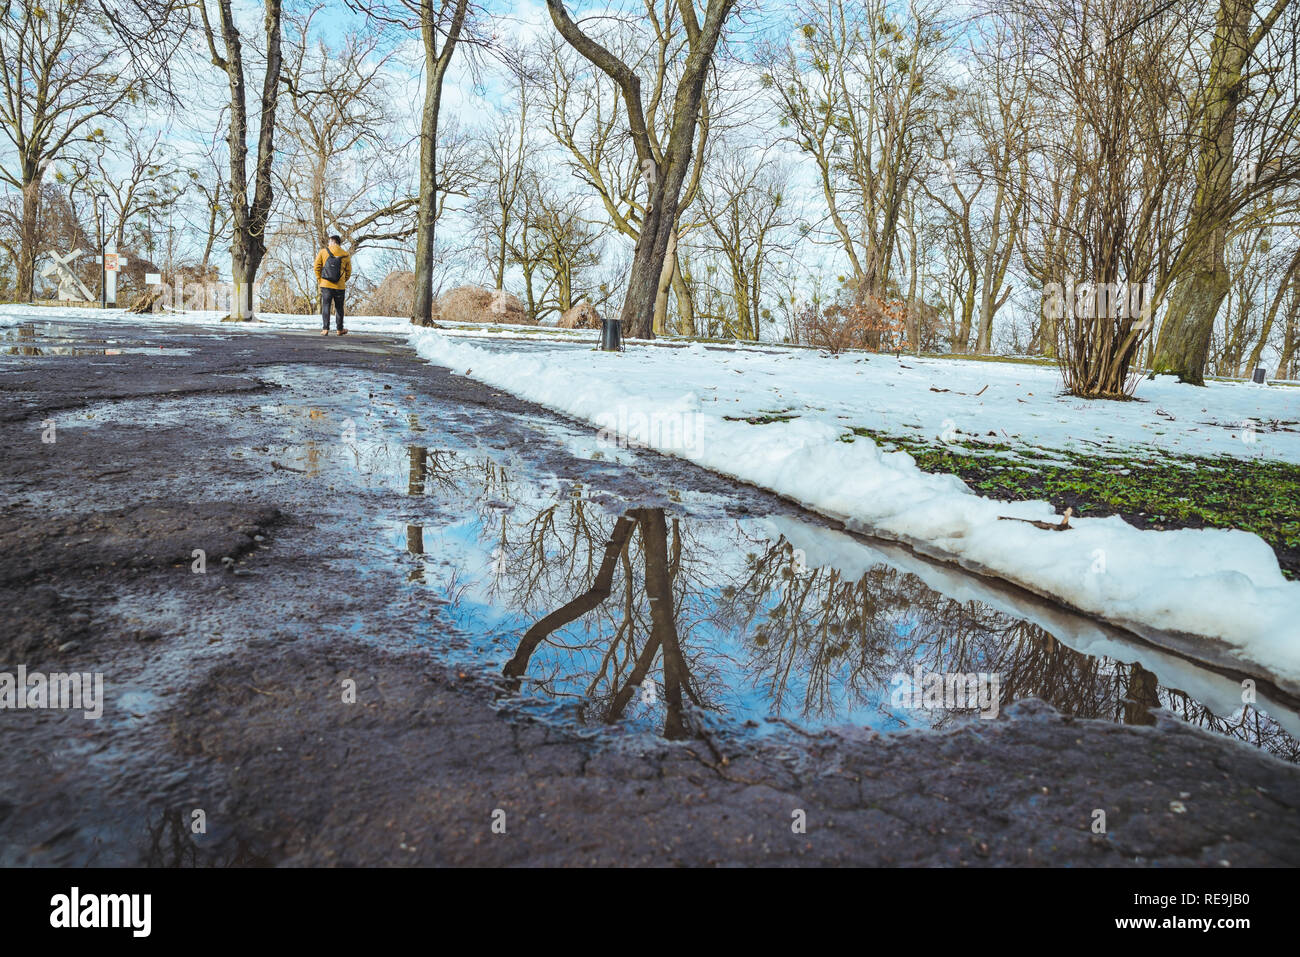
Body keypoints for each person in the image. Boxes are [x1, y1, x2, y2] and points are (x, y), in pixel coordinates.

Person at [314, 234, 352, 335]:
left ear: (332, 241)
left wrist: (320, 280)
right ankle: (339, 329)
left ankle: (325, 329)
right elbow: (349, 271)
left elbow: (316, 267)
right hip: (340, 286)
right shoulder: (345, 254)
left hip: (326, 284)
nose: (328, 243)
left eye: (329, 241)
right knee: (339, 307)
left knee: (326, 306)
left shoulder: (323, 252)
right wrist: (343, 280)